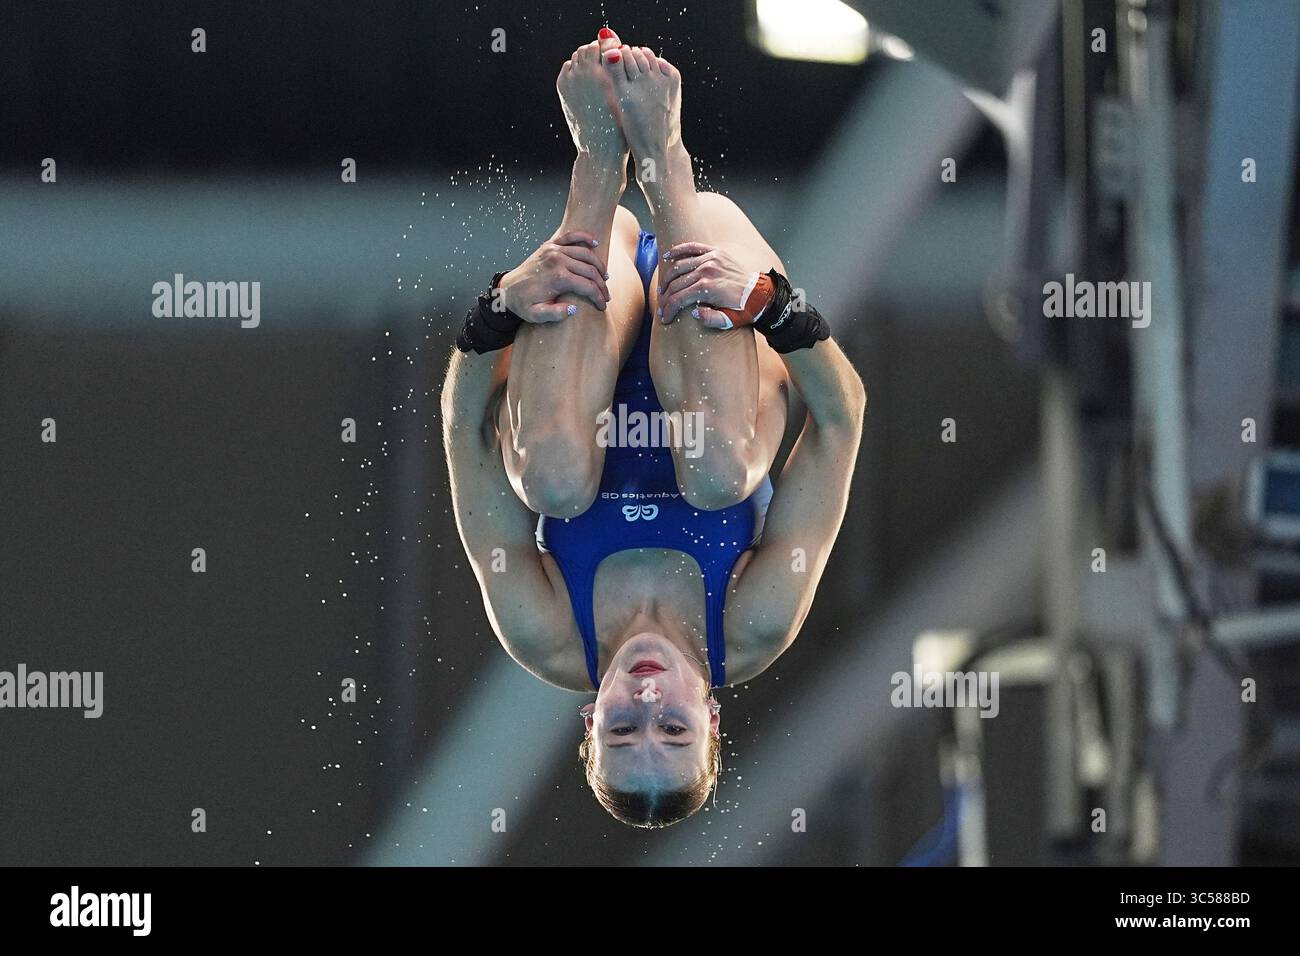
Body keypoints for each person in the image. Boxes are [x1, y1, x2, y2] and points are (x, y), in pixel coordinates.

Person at [441, 27, 866, 827]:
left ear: (587, 723)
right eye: (669, 726)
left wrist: (500, 305)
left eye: (622, 726)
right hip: (714, 280)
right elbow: (843, 419)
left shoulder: (546, 634)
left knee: (552, 480)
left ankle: (597, 162)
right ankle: (667, 162)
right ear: (710, 719)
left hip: (586, 315)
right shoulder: (752, 621)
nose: (643, 695)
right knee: (717, 473)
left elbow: (463, 433)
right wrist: (774, 306)